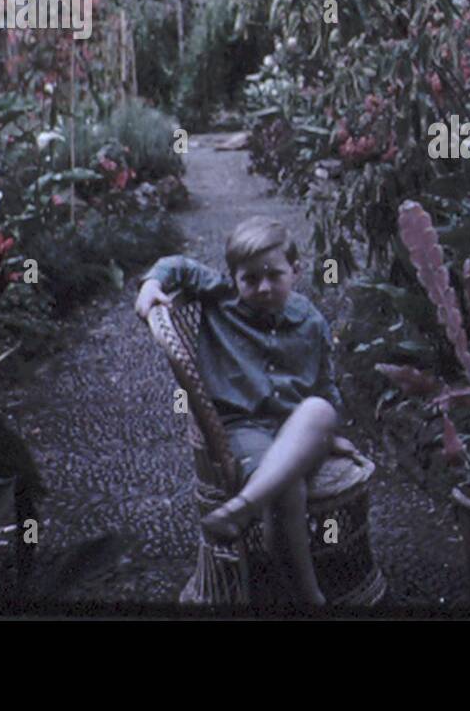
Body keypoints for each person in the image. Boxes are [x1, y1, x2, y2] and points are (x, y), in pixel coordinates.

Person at [134, 216, 353, 607]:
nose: (263, 287)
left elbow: (325, 385)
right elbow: (177, 265)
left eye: (274, 275)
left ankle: (241, 509)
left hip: (298, 426)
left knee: (319, 408)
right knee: (287, 486)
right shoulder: (219, 299)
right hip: (243, 430)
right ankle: (309, 598)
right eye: (249, 279)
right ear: (233, 278)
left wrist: (331, 434)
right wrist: (151, 286)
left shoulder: (311, 322)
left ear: (296, 272)